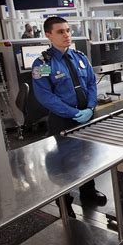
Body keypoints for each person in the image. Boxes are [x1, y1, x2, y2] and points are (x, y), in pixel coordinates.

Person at [31, 16, 107, 218]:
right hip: (63, 120)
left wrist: (90, 107)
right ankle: (64, 201)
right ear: (48, 35)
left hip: (87, 117)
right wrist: (73, 113)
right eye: (60, 32)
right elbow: (45, 96)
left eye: (67, 30)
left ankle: (88, 192)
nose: (66, 35)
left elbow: (91, 83)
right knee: (63, 163)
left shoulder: (80, 57)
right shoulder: (43, 64)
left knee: (87, 156)